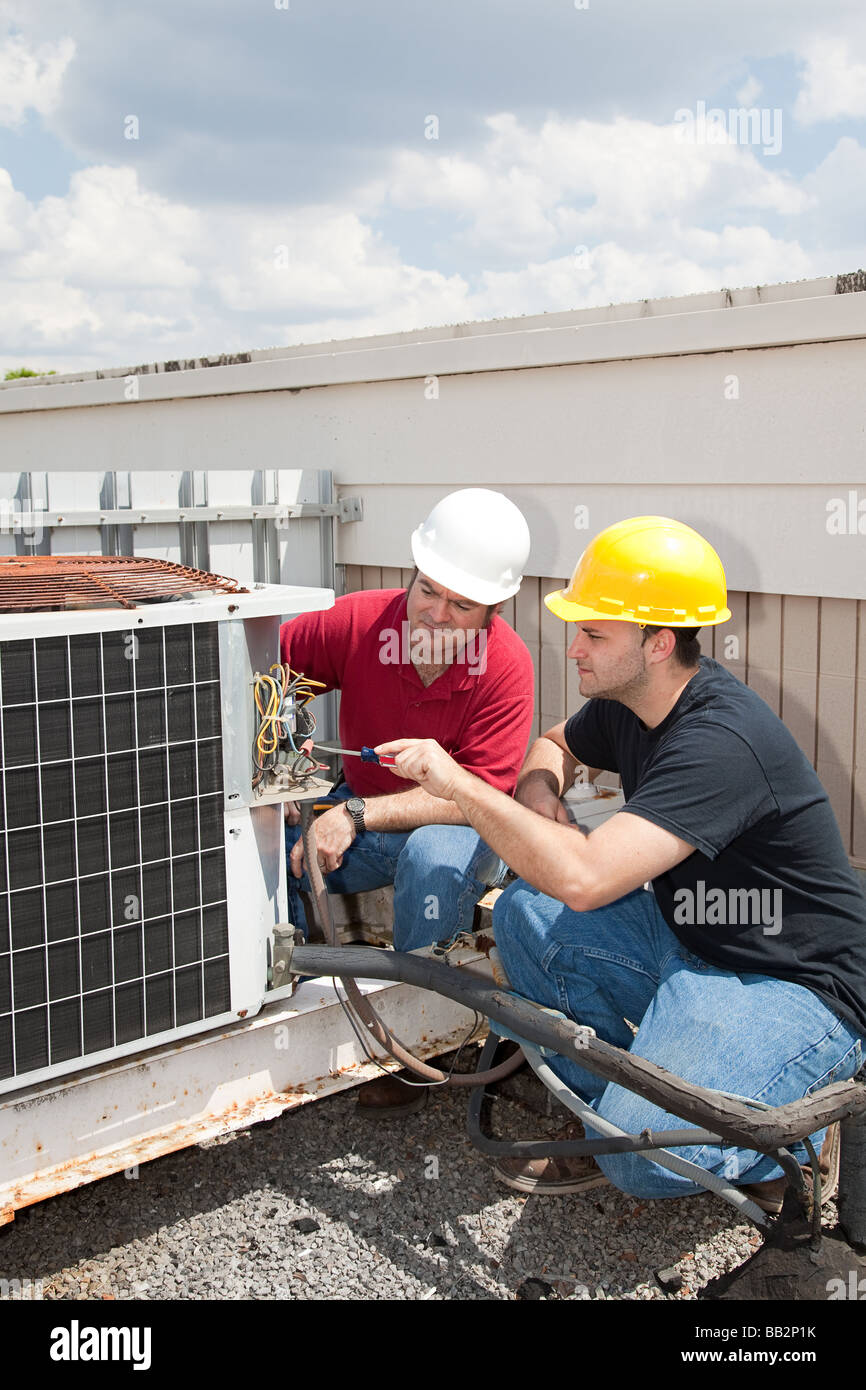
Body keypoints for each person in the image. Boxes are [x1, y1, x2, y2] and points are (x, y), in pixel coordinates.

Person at [378, 516, 866, 1206]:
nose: (573, 648)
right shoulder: (630, 700)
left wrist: (457, 782)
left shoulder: (720, 742)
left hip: (789, 982)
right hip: (690, 933)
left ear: (657, 642)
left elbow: (585, 879)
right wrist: (540, 786)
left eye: (593, 634)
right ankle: (603, 1120)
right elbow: (555, 741)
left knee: (644, 1162)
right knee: (524, 913)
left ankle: (795, 1138)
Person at [280, 488, 534, 1113]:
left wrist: (354, 814)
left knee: (434, 859)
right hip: (359, 811)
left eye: (461, 603)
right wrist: (275, 760)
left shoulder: (506, 667)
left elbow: (481, 798)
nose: (437, 614)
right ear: (412, 574)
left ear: (493, 609)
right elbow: (258, 670)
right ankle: (287, 1012)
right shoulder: (360, 622)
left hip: (452, 827)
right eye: (428, 590)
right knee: (267, 855)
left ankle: (419, 1041)